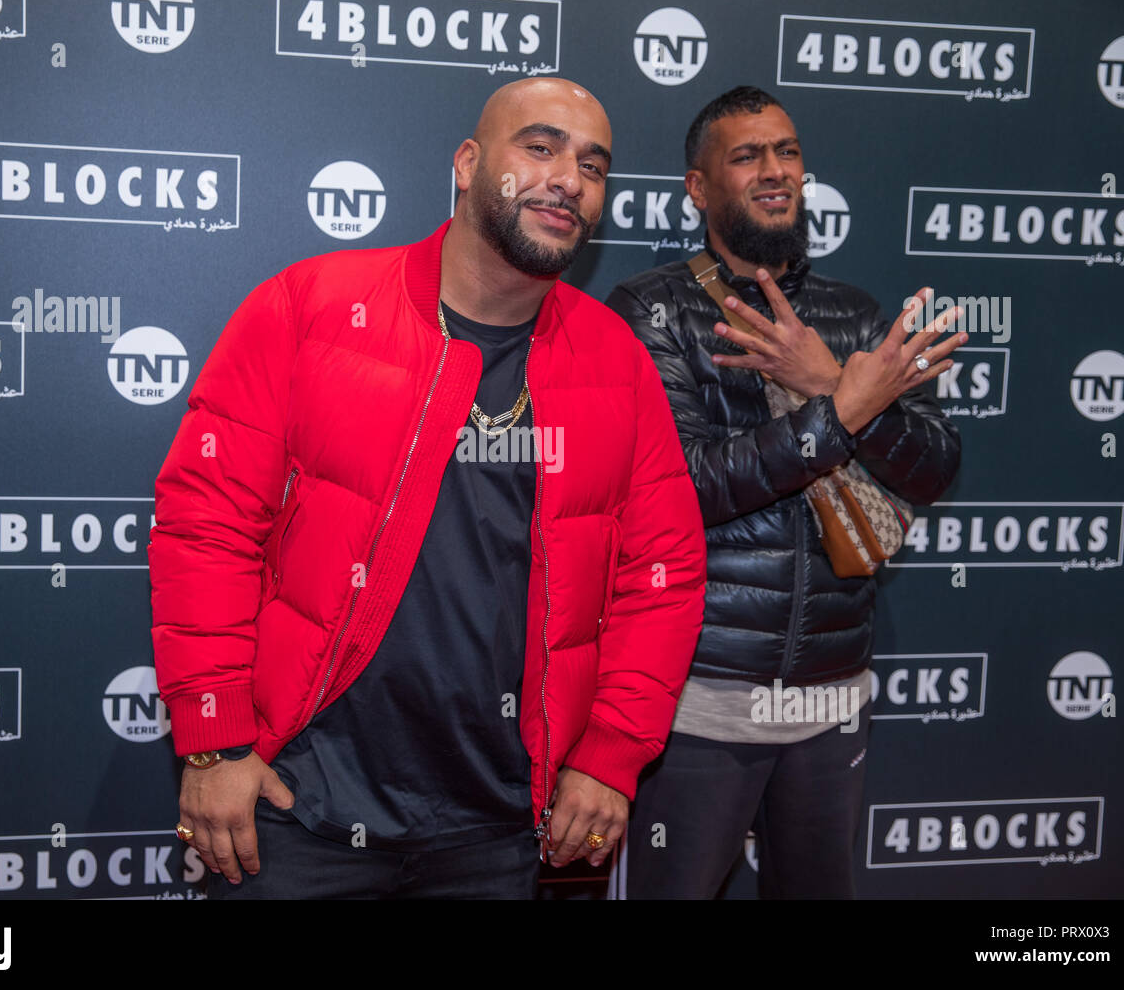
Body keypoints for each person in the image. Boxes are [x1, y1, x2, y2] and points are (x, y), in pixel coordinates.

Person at [147, 77, 706, 900]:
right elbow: (206, 525)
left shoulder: (614, 360)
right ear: (469, 163)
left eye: (593, 166)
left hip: (498, 831)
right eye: (540, 147)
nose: (568, 179)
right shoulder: (312, 308)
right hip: (297, 812)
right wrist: (214, 740)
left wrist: (613, 756)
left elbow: (663, 574)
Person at [605, 85, 964, 899]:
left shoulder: (856, 314)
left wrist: (831, 382)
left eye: (788, 152)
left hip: (833, 698)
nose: (776, 172)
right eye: (748, 156)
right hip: (697, 703)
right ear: (698, 187)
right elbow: (686, 486)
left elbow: (935, 468)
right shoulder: (652, 310)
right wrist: (840, 410)